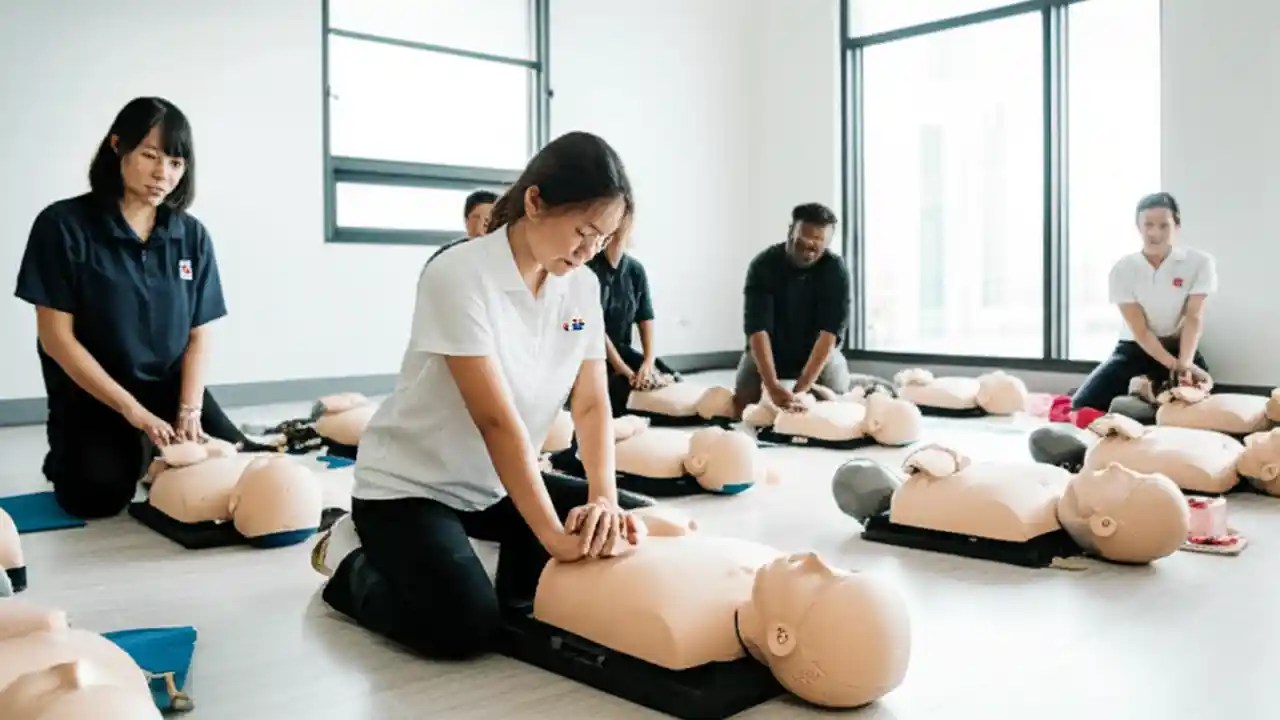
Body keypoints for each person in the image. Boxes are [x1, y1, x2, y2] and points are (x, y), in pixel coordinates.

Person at [316, 131, 645, 660]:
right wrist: (556, 537)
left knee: (630, 522)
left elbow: (590, 402)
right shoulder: (459, 274)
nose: (589, 251)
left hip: (495, 486)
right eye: (584, 231)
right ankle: (346, 556)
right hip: (409, 491)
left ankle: (491, 566)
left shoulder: (580, 287)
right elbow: (496, 420)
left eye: (603, 240)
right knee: (464, 626)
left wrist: (601, 495)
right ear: (535, 202)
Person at [13, 97, 253, 520]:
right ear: (117, 146)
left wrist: (189, 409)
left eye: (176, 163)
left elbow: (199, 333)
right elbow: (55, 338)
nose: (164, 173)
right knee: (97, 498)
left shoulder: (191, 236)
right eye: (150, 156)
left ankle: (150, 449)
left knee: (238, 462)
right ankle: (96, 453)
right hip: (93, 393)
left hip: (167, 387)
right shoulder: (63, 225)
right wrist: (134, 413)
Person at [1071, 192, 1216, 412]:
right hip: (1135, 346)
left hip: (1179, 346)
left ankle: (1148, 389)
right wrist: (1173, 366)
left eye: (1163, 225)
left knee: (1198, 405)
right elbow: (1140, 330)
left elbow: (1194, 318)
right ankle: (1142, 388)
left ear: (1176, 226)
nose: (1154, 233)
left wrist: (1184, 364)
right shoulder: (1123, 269)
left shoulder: (1199, 263)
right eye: (1148, 225)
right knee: (1083, 405)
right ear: (1138, 227)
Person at [732, 203, 851, 418]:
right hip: (771, 349)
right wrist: (771, 385)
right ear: (790, 231)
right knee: (742, 402)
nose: (807, 253)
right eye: (801, 244)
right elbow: (758, 332)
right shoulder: (763, 265)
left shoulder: (835, 270)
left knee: (838, 400)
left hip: (815, 351)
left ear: (826, 244)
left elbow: (828, 336)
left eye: (815, 248)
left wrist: (801, 390)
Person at [586, 211, 677, 415]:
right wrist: (624, 371)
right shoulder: (587, 270)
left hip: (623, 349)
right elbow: (590, 326)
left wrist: (648, 362)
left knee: (666, 381)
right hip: (594, 353)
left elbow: (645, 317)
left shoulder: (635, 270)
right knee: (621, 394)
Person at [428, 189, 500, 263]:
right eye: (475, 219)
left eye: (487, 220)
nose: (479, 230)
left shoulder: (505, 256)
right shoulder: (446, 255)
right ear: (466, 221)